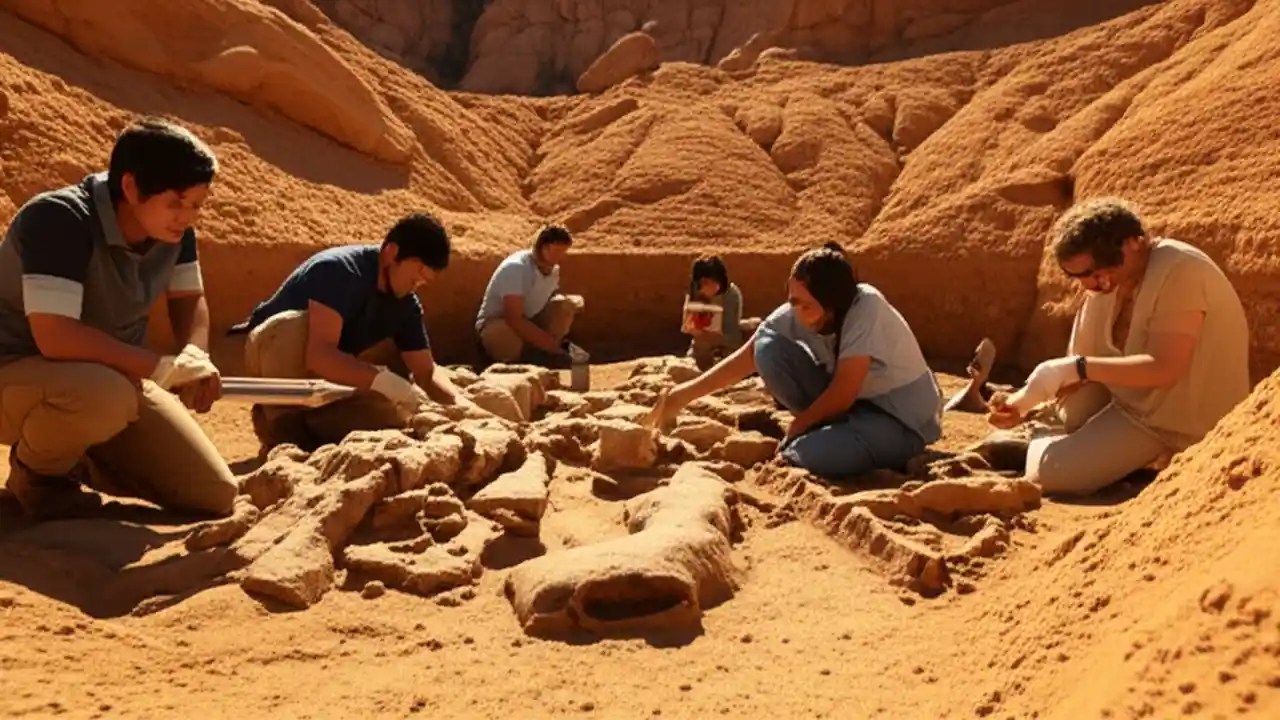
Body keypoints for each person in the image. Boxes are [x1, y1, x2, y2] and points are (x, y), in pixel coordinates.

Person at [0, 117, 238, 520]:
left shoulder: (174, 232)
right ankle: (37, 480)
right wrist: (159, 367)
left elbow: (189, 298)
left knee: (212, 493)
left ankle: (69, 453)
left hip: (108, 385)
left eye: (197, 205)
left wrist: (195, 355)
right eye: (176, 202)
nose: (187, 216)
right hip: (17, 370)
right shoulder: (60, 218)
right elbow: (56, 337)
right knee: (105, 396)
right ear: (130, 187)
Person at [988, 198, 1251, 495]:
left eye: (1094, 271)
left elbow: (1163, 368)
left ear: (1134, 242)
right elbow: (1075, 374)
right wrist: (1022, 403)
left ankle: (1043, 442)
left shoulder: (1179, 270)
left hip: (1177, 418)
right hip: (1134, 404)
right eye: (1079, 276)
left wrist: (1076, 368)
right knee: (1076, 410)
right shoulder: (1110, 284)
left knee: (1052, 474)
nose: (1090, 284)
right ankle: (1076, 443)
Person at [646, 244, 943, 479]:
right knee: (767, 346)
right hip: (852, 408)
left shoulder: (867, 308)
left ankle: (869, 446)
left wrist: (797, 427)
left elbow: (844, 391)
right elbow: (750, 354)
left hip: (898, 419)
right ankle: (833, 436)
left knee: (808, 455)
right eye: (793, 302)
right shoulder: (805, 310)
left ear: (831, 304)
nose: (796, 311)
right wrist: (679, 397)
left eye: (805, 304)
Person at [229, 212, 465, 451]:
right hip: (270, 352)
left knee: (387, 415)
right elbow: (320, 355)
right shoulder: (340, 271)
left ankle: (305, 428)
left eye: (424, 280)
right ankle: (279, 418)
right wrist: (385, 381)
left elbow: (426, 372)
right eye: (417, 272)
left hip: (321, 378)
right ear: (391, 253)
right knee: (292, 327)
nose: (418, 283)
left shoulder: (405, 304)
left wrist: (458, 405)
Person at [474, 224, 584, 367]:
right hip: (498, 323)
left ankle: (545, 356)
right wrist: (549, 343)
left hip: (528, 318)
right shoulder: (516, 268)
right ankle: (513, 362)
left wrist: (572, 303)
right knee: (507, 340)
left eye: (563, 252)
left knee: (564, 306)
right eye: (557, 251)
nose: (560, 257)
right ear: (544, 247)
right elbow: (514, 318)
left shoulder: (552, 270)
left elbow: (550, 297)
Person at [682, 254, 761, 371]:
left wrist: (716, 338)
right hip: (701, 345)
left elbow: (732, 336)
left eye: (712, 281)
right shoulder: (695, 291)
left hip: (725, 344)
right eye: (704, 283)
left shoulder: (731, 295)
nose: (709, 286)